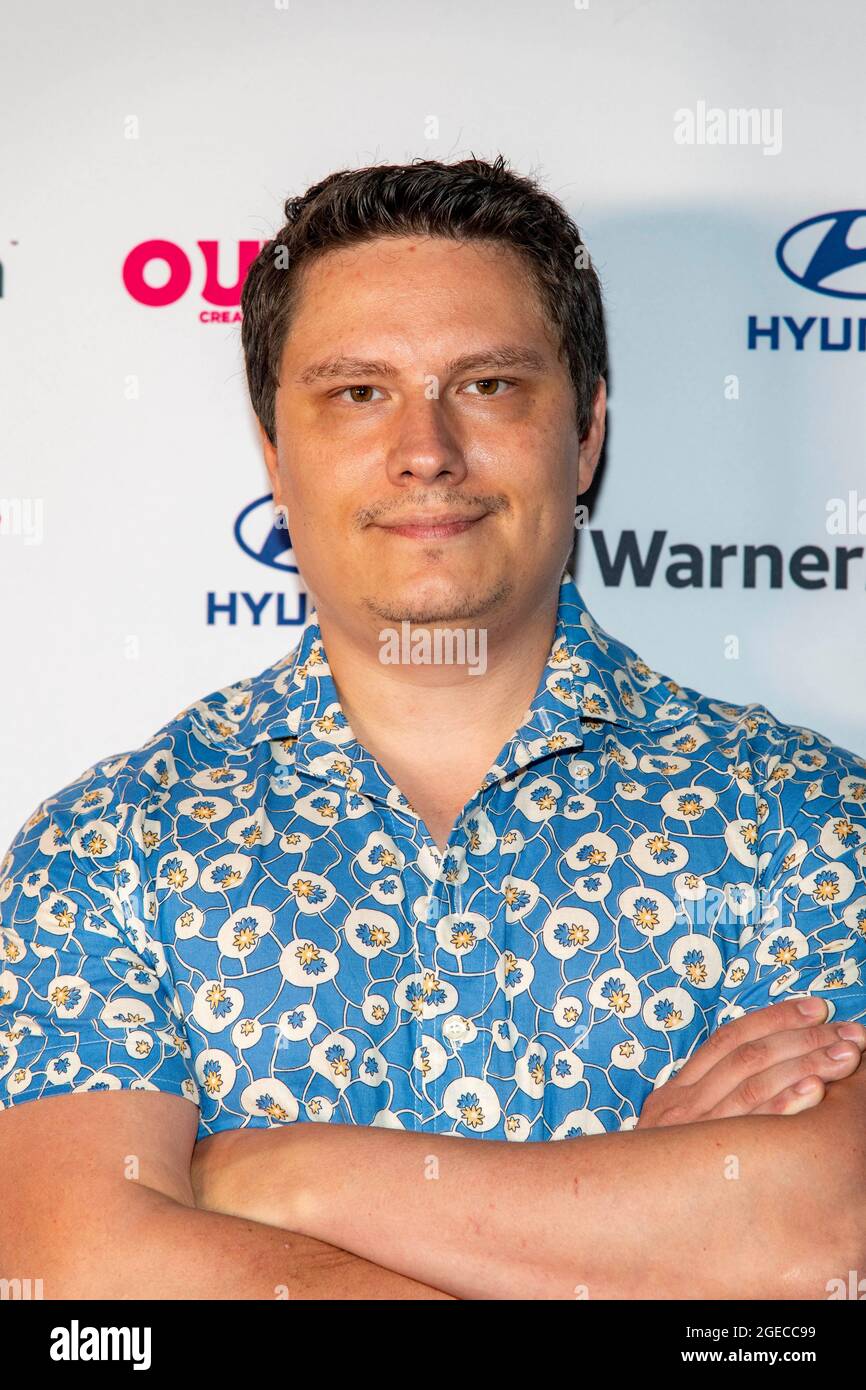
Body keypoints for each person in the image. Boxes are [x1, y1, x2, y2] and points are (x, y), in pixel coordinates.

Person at [2, 156, 865, 1301]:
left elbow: (826, 1233)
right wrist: (637, 1217)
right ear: (273, 450)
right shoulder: (105, 849)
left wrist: (279, 1174)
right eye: (358, 392)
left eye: (489, 385)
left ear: (587, 431)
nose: (426, 450)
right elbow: (76, 1274)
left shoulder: (803, 818)